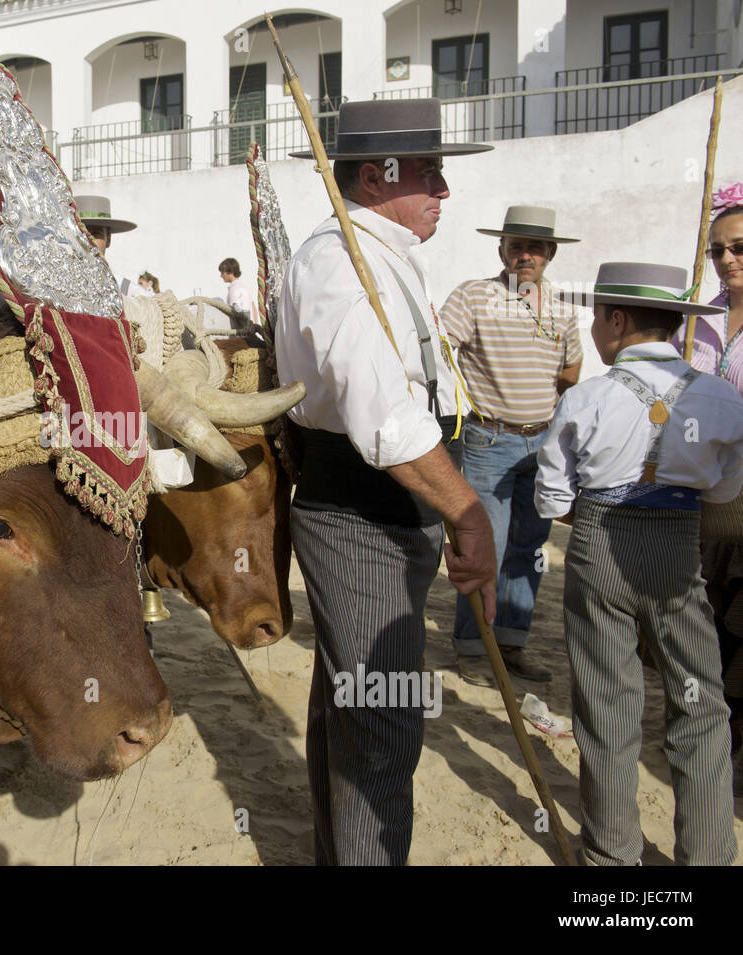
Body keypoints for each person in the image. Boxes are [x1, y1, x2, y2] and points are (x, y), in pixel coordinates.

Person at [274, 99, 497, 865]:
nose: (443, 187)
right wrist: (468, 511)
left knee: (355, 715)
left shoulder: (382, 251)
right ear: (375, 176)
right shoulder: (340, 259)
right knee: (380, 729)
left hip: (393, 512)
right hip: (360, 513)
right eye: (430, 170)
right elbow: (384, 416)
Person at [535, 261, 741, 865]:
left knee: (606, 702)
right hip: (679, 548)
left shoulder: (584, 398)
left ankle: (612, 853)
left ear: (616, 321)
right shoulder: (722, 399)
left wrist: (606, 503)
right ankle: (705, 856)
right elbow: (724, 493)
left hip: (599, 548)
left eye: (597, 317)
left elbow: (552, 499)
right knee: (700, 704)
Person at [440, 206, 583, 687]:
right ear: (501, 250)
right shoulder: (474, 296)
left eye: (535, 248)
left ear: (549, 254)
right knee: (487, 546)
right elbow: (441, 349)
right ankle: (473, 650)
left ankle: (511, 643)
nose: (526, 255)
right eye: (516, 246)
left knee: (530, 547)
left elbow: (570, 372)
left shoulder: (561, 308)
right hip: (489, 439)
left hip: (542, 443)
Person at [670, 180, 743, 793]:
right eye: (718, 249)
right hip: (704, 498)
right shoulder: (700, 321)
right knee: (706, 622)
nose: (727, 260)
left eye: (739, 246)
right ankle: (717, 741)